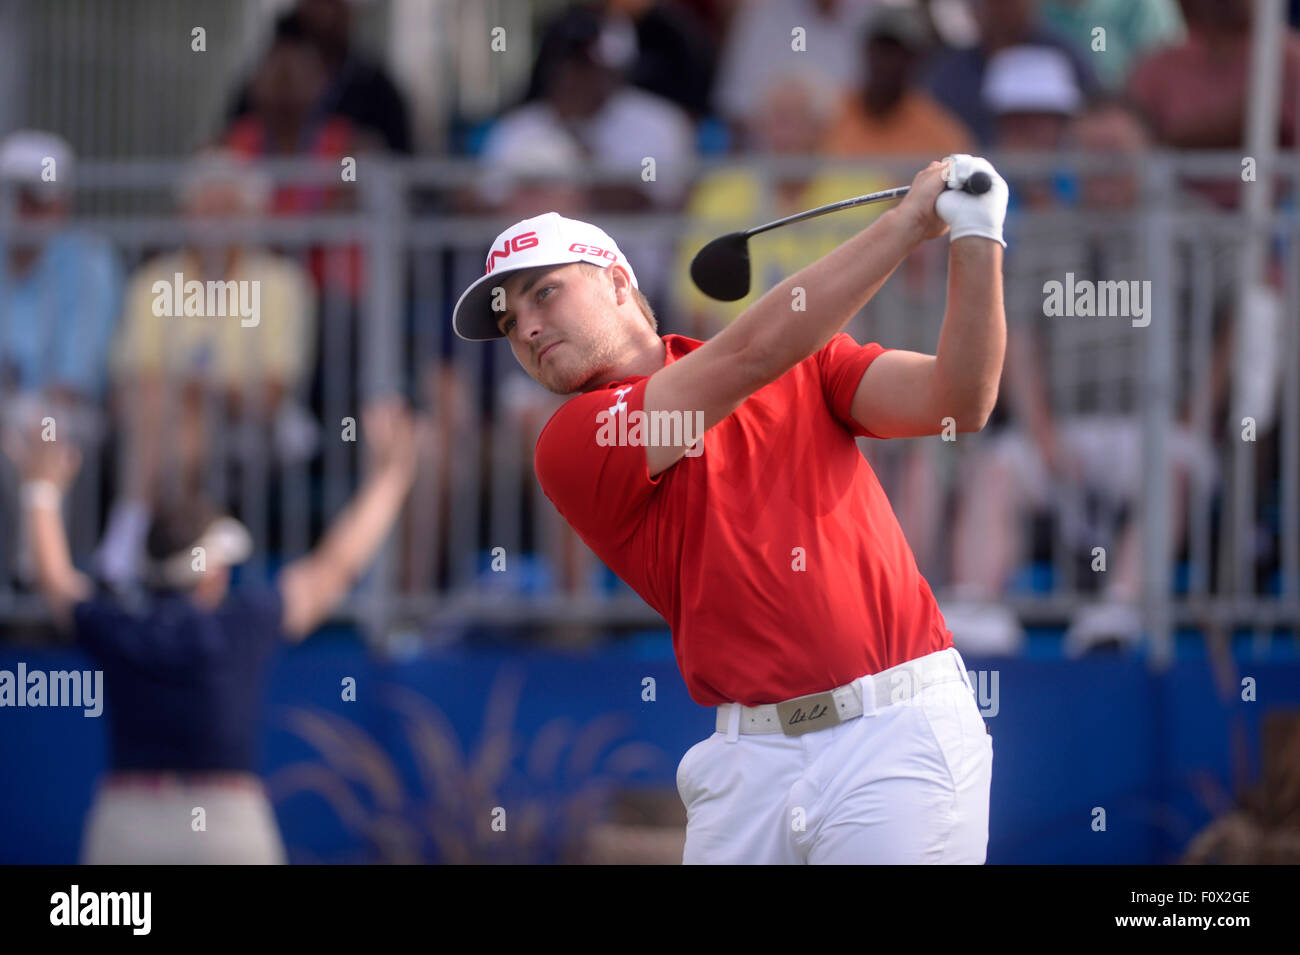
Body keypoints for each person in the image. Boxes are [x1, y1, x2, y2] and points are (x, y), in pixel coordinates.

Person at [449, 152, 1008, 864]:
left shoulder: (806, 360)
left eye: (544, 293)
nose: (525, 327)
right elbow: (748, 357)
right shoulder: (571, 440)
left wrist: (976, 238)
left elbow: (960, 401)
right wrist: (905, 225)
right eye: (509, 320)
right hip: (748, 762)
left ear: (618, 282)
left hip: (896, 733)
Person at [7, 400, 418, 864]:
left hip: (127, 826)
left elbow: (57, 582)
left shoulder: (117, 626)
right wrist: (391, 479)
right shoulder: (245, 623)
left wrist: (39, 492)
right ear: (212, 572)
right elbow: (335, 569)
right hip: (225, 829)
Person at [97, 151, 318, 586]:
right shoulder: (153, 281)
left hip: (250, 429)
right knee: (176, 422)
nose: (214, 222)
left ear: (250, 217)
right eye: (205, 210)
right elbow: (128, 385)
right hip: (167, 421)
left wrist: (198, 389)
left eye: (226, 210)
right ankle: (171, 566)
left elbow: (271, 393)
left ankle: (130, 539)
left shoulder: (282, 284)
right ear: (184, 216)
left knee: (173, 416)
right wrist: (190, 391)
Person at [0, 130, 122, 583]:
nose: (25, 213)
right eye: (18, 199)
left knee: (36, 428)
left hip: (64, 415)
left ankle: (35, 584)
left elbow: (71, 383)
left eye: (38, 201)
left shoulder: (89, 262)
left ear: (62, 204)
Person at [823, 4, 975, 158]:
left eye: (896, 52)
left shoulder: (940, 133)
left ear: (914, 60)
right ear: (866, 51)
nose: (885, 62)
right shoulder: (830, 114)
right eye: (880, 49)